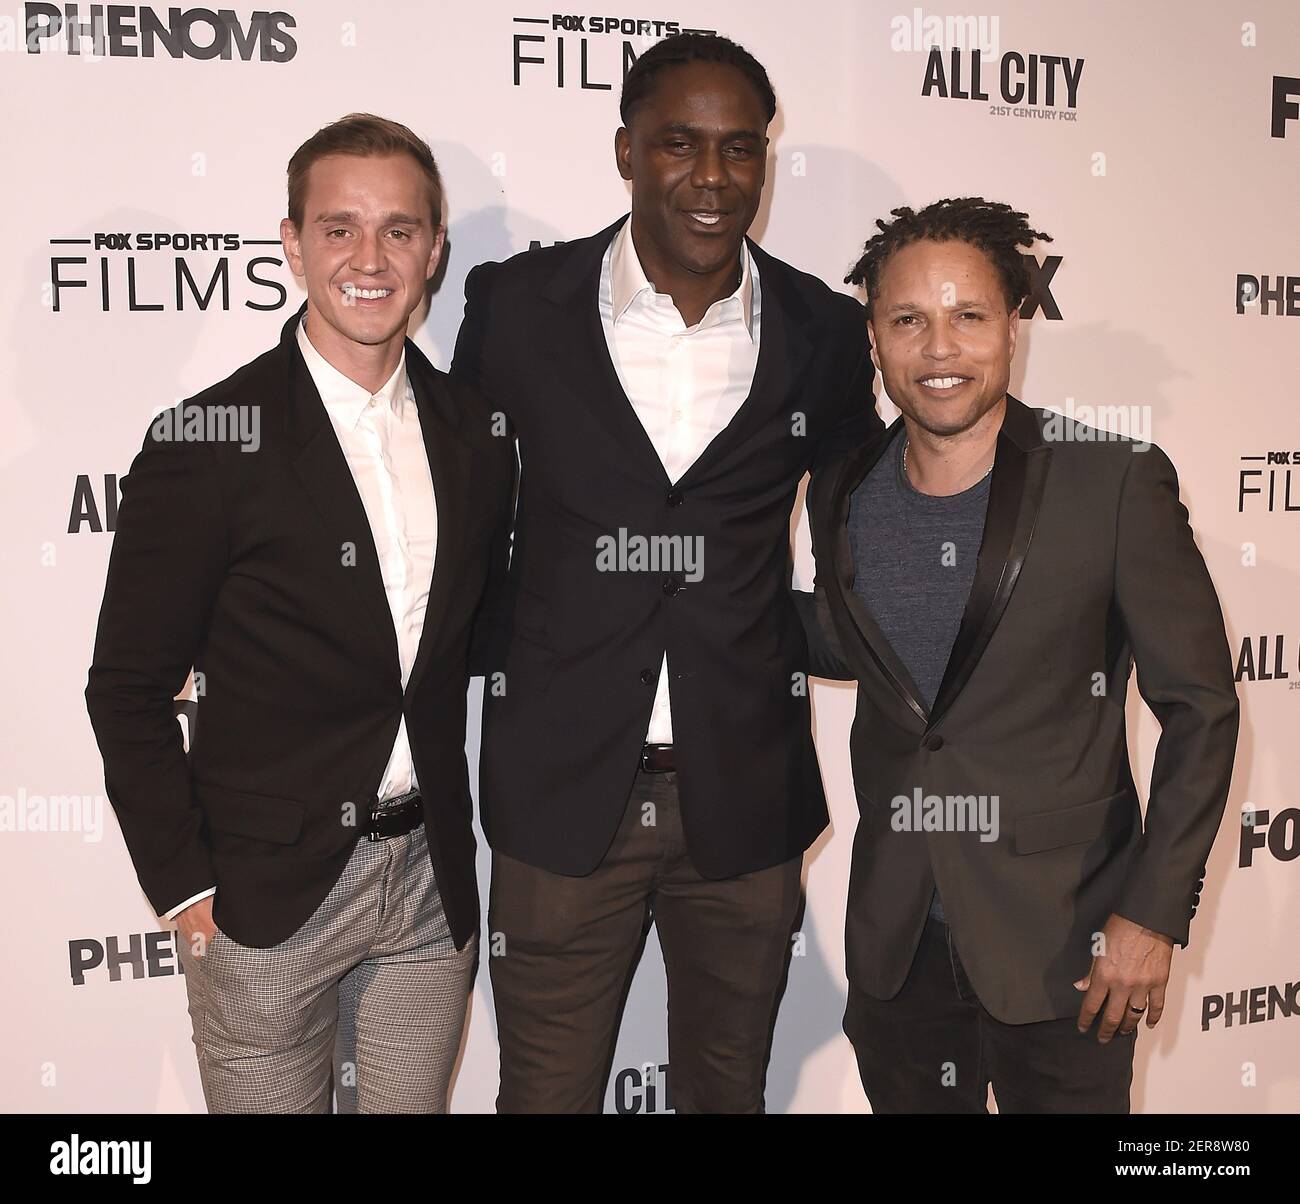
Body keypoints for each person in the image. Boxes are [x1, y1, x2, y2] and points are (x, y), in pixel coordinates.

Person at [452, 32, 880, 1112]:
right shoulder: (516, 307)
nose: (712, 178)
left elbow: (865, 531)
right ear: (624, 152)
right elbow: (456, 516)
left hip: (744, 800)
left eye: (740, 150)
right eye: (678, 144)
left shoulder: (825, 331)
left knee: (727, 1092)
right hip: (560, 797)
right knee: (542, 1096)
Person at [85, 113, 514, 1113]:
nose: (370, 258)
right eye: (339, 228)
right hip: (264, 897)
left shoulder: (475, 432)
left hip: (427, 882)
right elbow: (128, 687)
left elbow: (474, 641)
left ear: (435, 250)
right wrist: (186, 886)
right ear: (291, 243)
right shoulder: (207, 439)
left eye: (400, 230)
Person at [796, 197, 1239, 1112]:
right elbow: (871, 653)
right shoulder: (842, 489)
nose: (940, 349)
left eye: (970, 315)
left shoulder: (1113, 479)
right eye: (908, 320)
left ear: (1013, 325)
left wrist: (1151, 915)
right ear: (873, 338)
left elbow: (1201, 710)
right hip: (898, 946)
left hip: (1070, 944)